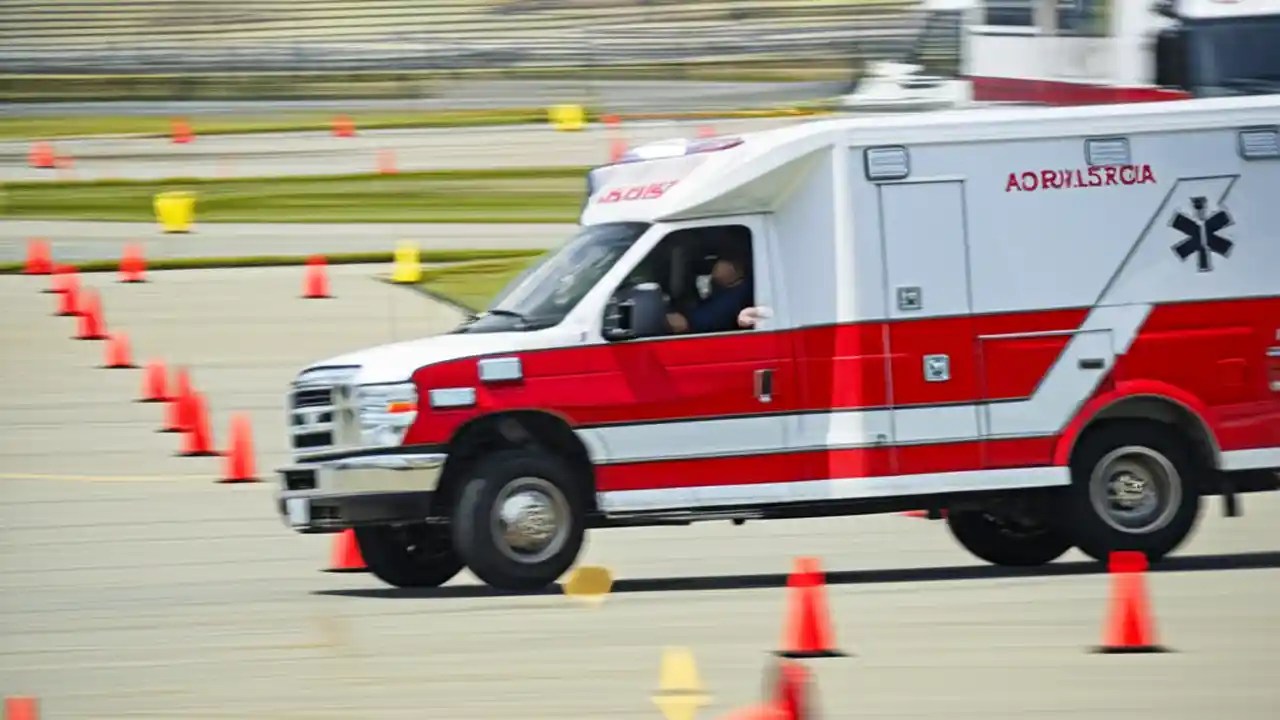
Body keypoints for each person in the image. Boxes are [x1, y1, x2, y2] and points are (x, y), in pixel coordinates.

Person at [666, 246, 755, 334]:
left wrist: (684, 321)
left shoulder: (739, 295)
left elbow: (706, 321)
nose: (714, 265)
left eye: (719, 260)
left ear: (734, 267)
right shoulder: (725, 289)